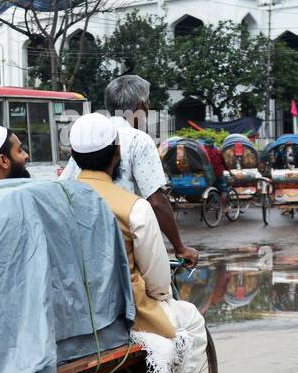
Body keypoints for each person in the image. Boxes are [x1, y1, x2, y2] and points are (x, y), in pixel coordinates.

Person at [69, 113, 218, 373]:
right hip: (121, 314)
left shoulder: (57, 199)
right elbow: (156, 277)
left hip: (69, 311)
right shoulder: (133, 207)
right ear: (117, 153)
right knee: (189, 323)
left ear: (74, 157)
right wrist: (162, 296)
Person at [59, 75, 198, 266]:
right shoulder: (138, 140)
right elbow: (156, 201)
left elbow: (63, 187)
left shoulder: (92, 136)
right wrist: (180, 248)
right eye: (148, 104)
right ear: (141, 106)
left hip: (83, 242)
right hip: (123, 245)